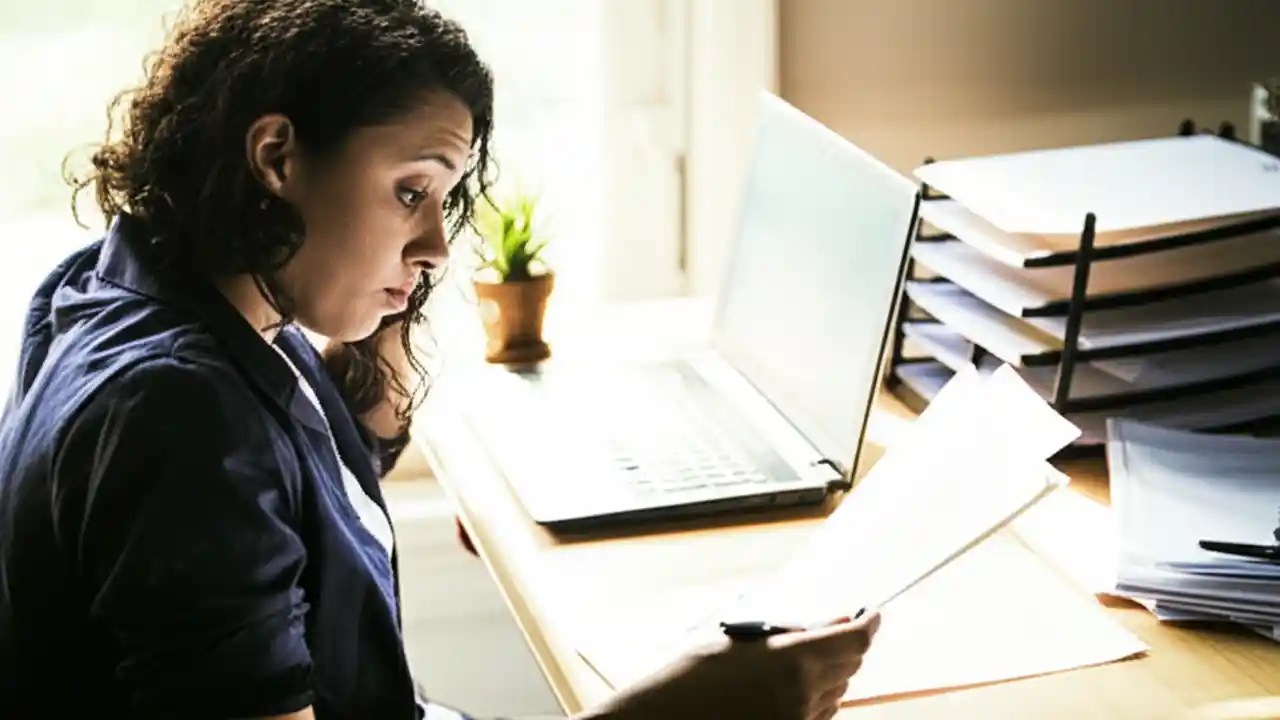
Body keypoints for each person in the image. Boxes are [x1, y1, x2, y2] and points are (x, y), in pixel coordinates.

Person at [0, 1, 879, 718]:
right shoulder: (182, 420)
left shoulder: (129, 282)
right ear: (276, 156)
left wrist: (387, 279)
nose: (437, 243)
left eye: (444, 199)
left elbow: (332, 458)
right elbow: (230, 483)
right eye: (409, 190)